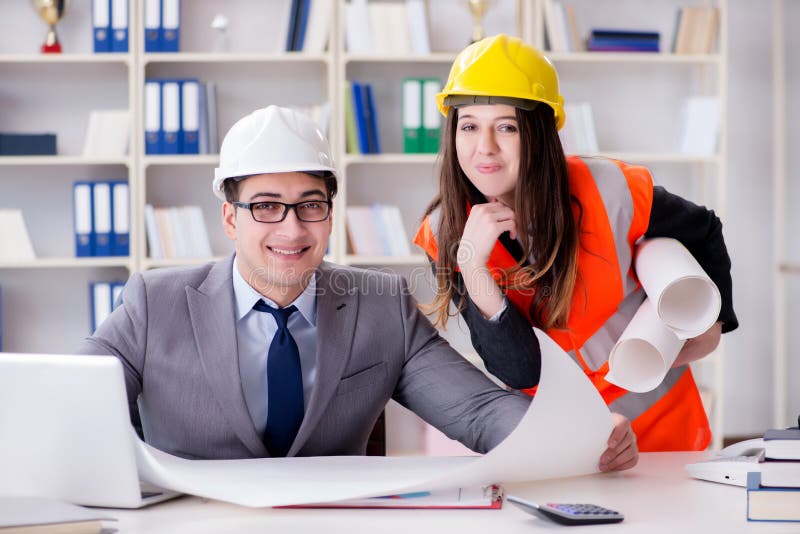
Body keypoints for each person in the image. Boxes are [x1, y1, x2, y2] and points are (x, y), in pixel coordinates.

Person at [76, 105, 637, 470]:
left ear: (330, 213)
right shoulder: (155, 303)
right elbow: (71, 402)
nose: (292, 229)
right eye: (266, 207)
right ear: (230, 219)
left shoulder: (380, 305)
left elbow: (481, 412)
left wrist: (582, 436)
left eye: (310, 206)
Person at [414, 34, 739, 452]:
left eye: (507, 127)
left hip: (665, 437)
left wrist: (714, 325)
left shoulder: (608, 189)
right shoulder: (445, 235)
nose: (485, 148)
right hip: (567, 443)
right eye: (469, 126)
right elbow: (519, 369)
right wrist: (473, 268)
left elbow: (704, 228)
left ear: (540, 133)